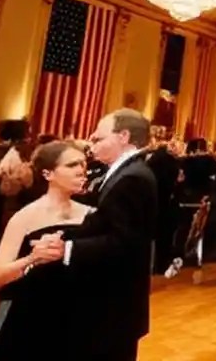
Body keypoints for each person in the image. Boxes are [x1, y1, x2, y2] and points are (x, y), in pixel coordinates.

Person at [40, 109, 158, 361]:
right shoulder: (127, 172)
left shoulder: (132, 177)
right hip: (112, 297)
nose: (93, 143)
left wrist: (67, 249)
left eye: (99, 138)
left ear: (123, 136)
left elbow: (124, 242)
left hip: (115, 299)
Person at [0, 142, 92, 360]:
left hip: (78, 316)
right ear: (48, 173)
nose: (82, 170)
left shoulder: (91, 213)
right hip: (34, 317)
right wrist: (32, 258)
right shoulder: (26, 217)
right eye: (72, 165)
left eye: (83, 164)